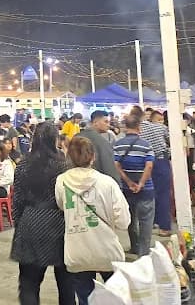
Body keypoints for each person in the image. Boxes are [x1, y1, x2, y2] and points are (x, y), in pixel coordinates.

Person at [55, 136, 130, 305]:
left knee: (85, 298)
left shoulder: (61, 181)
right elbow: (124, 220)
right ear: (93, 156)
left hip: (77, 249)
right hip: (106, 248)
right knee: (116, 297)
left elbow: (61, 205)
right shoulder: (107, 183)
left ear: (69, 157)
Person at [10, 122, 74, 305]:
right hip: (60, 223)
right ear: (55, 139)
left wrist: (19, 225)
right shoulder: (64, 164)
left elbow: (18, 200)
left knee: (29, 283)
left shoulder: (23, 165)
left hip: (31, 222)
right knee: (66, 282)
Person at [113, 115, 155, 256]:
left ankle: (134, 246)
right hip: (146, 189)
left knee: (130, 219)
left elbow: (117, 165)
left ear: (125, 128)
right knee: (146, 221)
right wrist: (141, 184)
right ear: (139, 128)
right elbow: (149, 166)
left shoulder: (118, 145)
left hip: (126, 189)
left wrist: (129, 182)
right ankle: (143, 253)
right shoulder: (146, 145)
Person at [132, 105, 172, 236]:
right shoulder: (160, 127)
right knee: (164, 195)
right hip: (160, 162)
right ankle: (164, 227)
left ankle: (152, 222)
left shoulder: (137, 130)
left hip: (143, 164)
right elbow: (171, 141)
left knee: (149, 194)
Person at [78, 111, 119, 183]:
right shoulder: (102, 142)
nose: (108, 125)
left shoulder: (76, 138)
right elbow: (109, 168)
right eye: (106, 122)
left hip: (76, 181)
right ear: (95, 122)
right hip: (97, 184)